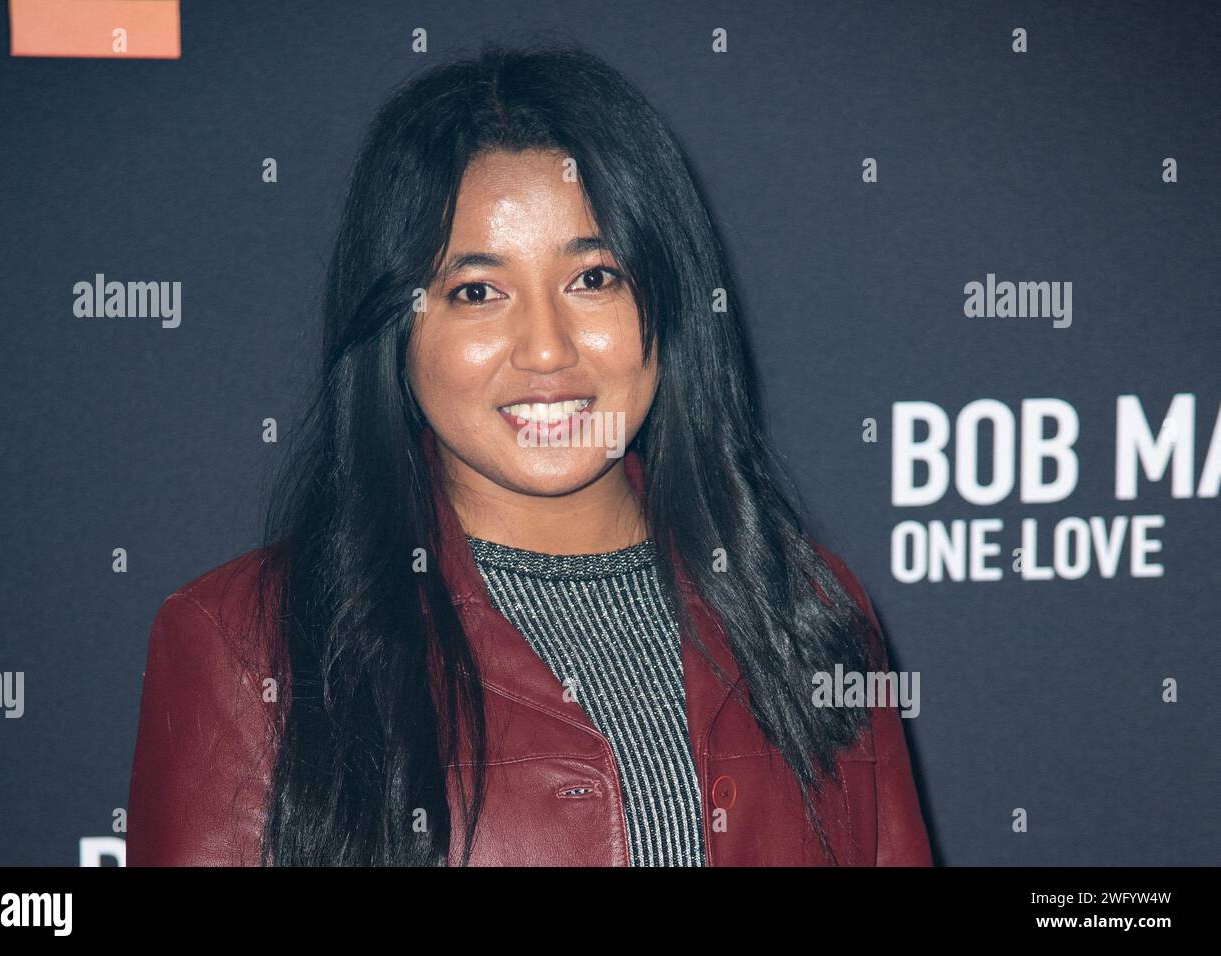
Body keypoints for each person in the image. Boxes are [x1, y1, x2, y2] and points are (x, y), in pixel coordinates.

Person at [126, 43, 933, 867]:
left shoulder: (806, 613)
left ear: (671, 298)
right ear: (395, 329)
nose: (546, 350)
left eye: (595, 279)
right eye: (478, 291)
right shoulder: (245, 643)